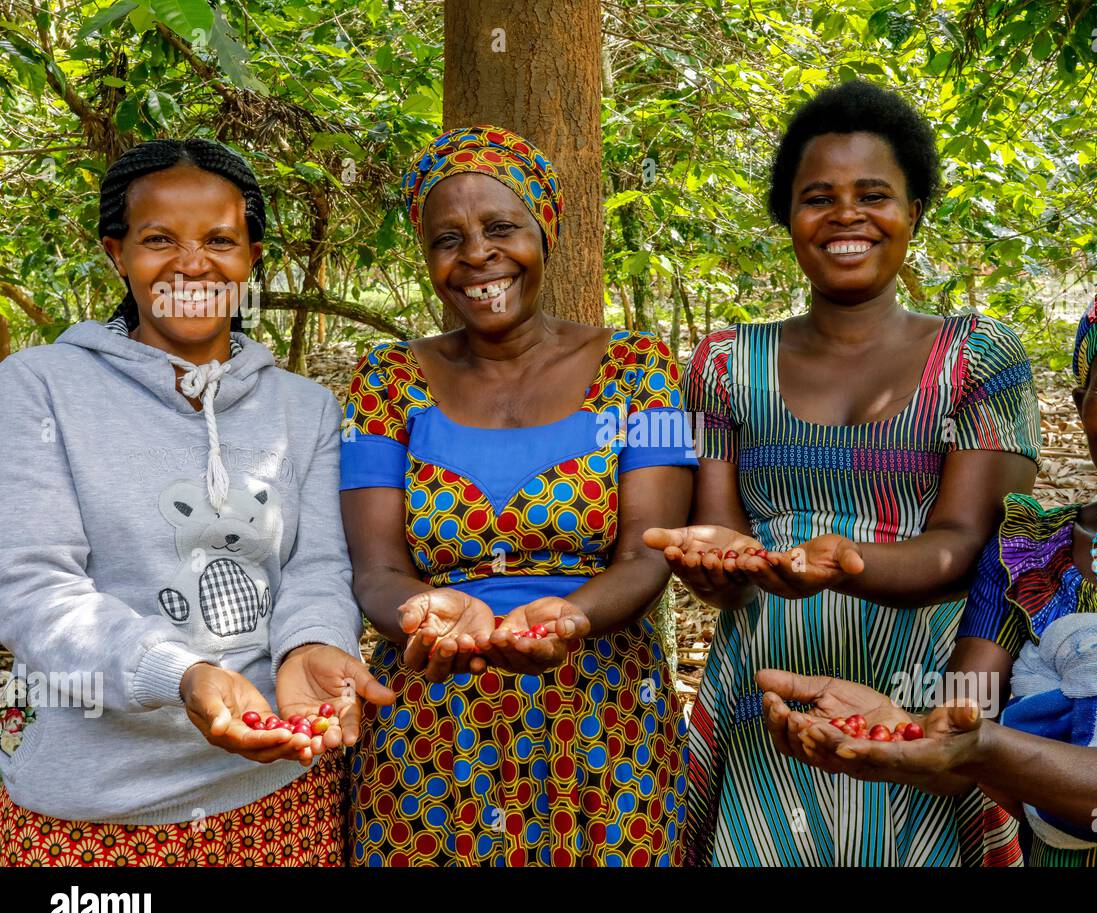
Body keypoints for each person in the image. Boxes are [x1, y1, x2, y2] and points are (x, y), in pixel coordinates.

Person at [761, 240, 1097, 868]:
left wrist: (979, 748)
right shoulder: (1027, 554)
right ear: (1081, 407)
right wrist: (901, 726)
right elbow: (960, 734)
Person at [643, 80, 1041, 866]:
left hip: (922, 687)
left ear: (915, 211)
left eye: (874, 195)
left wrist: (844, 564)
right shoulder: (724, 364)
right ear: (787, 217)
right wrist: (716, 566)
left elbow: (970, 545)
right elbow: (724, 539)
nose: (847, 216)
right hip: (765, 681)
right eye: (818, 197)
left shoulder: (980, 359)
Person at [0, 139, 392, 867]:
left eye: (219, 240)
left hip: (280, 789)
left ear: (252, 256)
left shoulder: (304, 409)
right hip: (97, 813)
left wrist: (312, 648)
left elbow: (316, 571)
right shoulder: (37, 387)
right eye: (158, 240)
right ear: (116, 254)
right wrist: (179, 675)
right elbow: (32, 589)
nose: (191, 264)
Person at [341, 125, 696, 866]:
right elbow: (375, 568)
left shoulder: (642, 370)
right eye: (448, 239)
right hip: (431, 714)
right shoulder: (384, 382)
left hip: (603, 709)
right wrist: (429, 614)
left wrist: (571, 614)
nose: (476, 255)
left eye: (501, 227)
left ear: (546, 230)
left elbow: (648, 553)